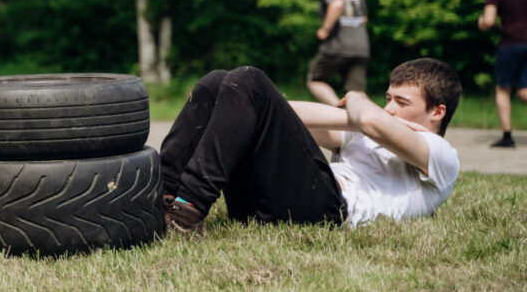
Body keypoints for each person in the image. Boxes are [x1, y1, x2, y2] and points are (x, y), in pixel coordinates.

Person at [160, 58, 461, 235]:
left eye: (401, 102)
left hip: (327, 208)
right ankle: (163, 197)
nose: (389, 108)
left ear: (437, 112)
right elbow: (280, 112)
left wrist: (357, 98)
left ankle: (187, 212)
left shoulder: (440, 154)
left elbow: (370, 119)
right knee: (220, 82)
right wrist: (354, 117)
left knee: (248, 80)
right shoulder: (366, 128)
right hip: (272, 203)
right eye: (388, 98)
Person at [477, 0, 527, 148]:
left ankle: (507, 136)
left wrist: (481, 21)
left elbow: (489, 21)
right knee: (524, 91)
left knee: (503, 89)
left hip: (511, 45)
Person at [307, 0, 370, 106]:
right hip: (361, 45)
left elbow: (336, 4)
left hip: (338, 45)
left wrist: (325, 29)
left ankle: (337, 108)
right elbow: (364, 18)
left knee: (315, 80)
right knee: (357, 92)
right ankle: (373, 121)